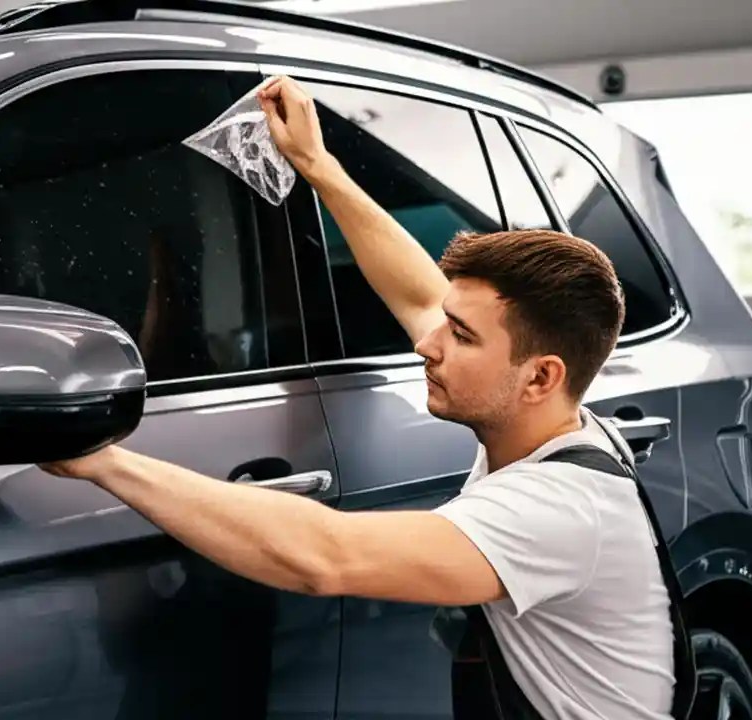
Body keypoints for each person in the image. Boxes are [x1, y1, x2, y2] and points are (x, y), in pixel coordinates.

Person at [40, 76, 676, 719]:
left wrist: (104, 462)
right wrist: (316, 164)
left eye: (459, 336)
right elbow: (421, 295)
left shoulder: (561, 509)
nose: (427, 345)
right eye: (446, 324)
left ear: (540, 377)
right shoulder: (547, 425)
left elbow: (327, 559)